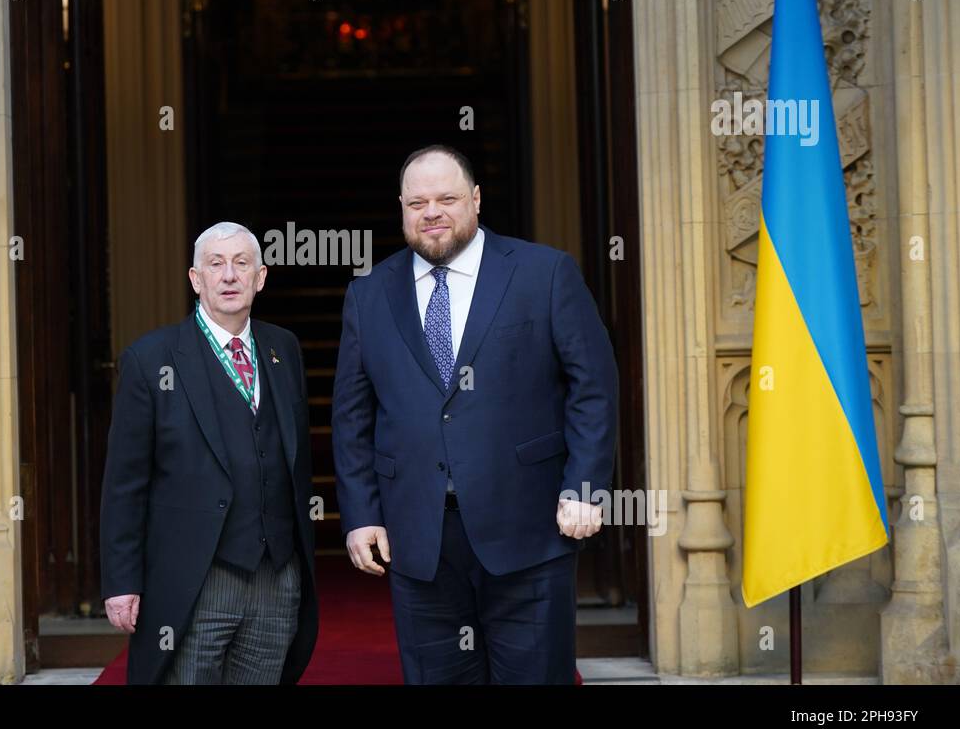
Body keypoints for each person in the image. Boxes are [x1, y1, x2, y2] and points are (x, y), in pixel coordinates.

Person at [332, 145, 618, 684]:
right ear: (401, 206)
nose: (431, 212)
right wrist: (362, 513)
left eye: (447, 198)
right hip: (418, 540)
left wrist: (585, 486)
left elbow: (594, 387)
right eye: (417, 202)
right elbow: (352, 415)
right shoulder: (369, 293)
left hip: (530, 529)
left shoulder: (544, 272)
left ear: (477, 200)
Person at [99, 222, 317, 683]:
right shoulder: (151, 359)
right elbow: (125, 482)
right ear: (196, 280)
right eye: (215, 264)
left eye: (241, 263)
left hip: (276, 576)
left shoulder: (284, 349)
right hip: (196, 577)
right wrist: (122, 582)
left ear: (260, 277)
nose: (229, 275)